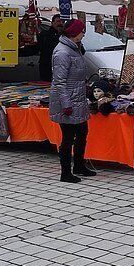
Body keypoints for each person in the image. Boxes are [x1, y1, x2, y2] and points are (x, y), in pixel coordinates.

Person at [49, 19, 95, 183]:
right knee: (68, 137)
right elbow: (59, 81)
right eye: (82, 31)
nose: (84, 34)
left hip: (78, 97)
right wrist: (66, 104)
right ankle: (65, 173)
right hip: (67, 100)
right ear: (75, 33)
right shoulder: (62, 52)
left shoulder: (75, 49)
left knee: (82, 133)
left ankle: (79, 165)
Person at [38, 15, 64, 81]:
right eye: (58, 21)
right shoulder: (45, 35)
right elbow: (35, 48)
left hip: (62, 67)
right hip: (47, 67)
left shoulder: (67, 36)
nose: (60, 23)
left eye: (62, 21)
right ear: (52, 23)